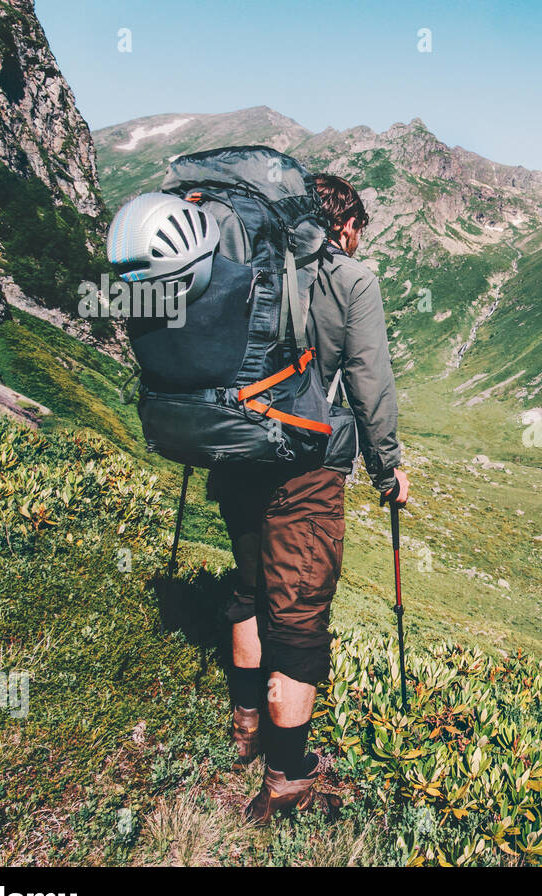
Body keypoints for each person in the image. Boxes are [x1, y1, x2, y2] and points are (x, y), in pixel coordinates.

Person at [206, 173, 409, 824]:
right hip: (304, 468)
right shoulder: (351, 280)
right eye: (357, 233)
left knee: (247, 588)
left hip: (233, 452)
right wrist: (389, 469)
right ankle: (286, 776)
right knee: (296, 621)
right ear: (345, 226)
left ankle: (243, 728)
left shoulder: (244, 264)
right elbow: (369, 384)